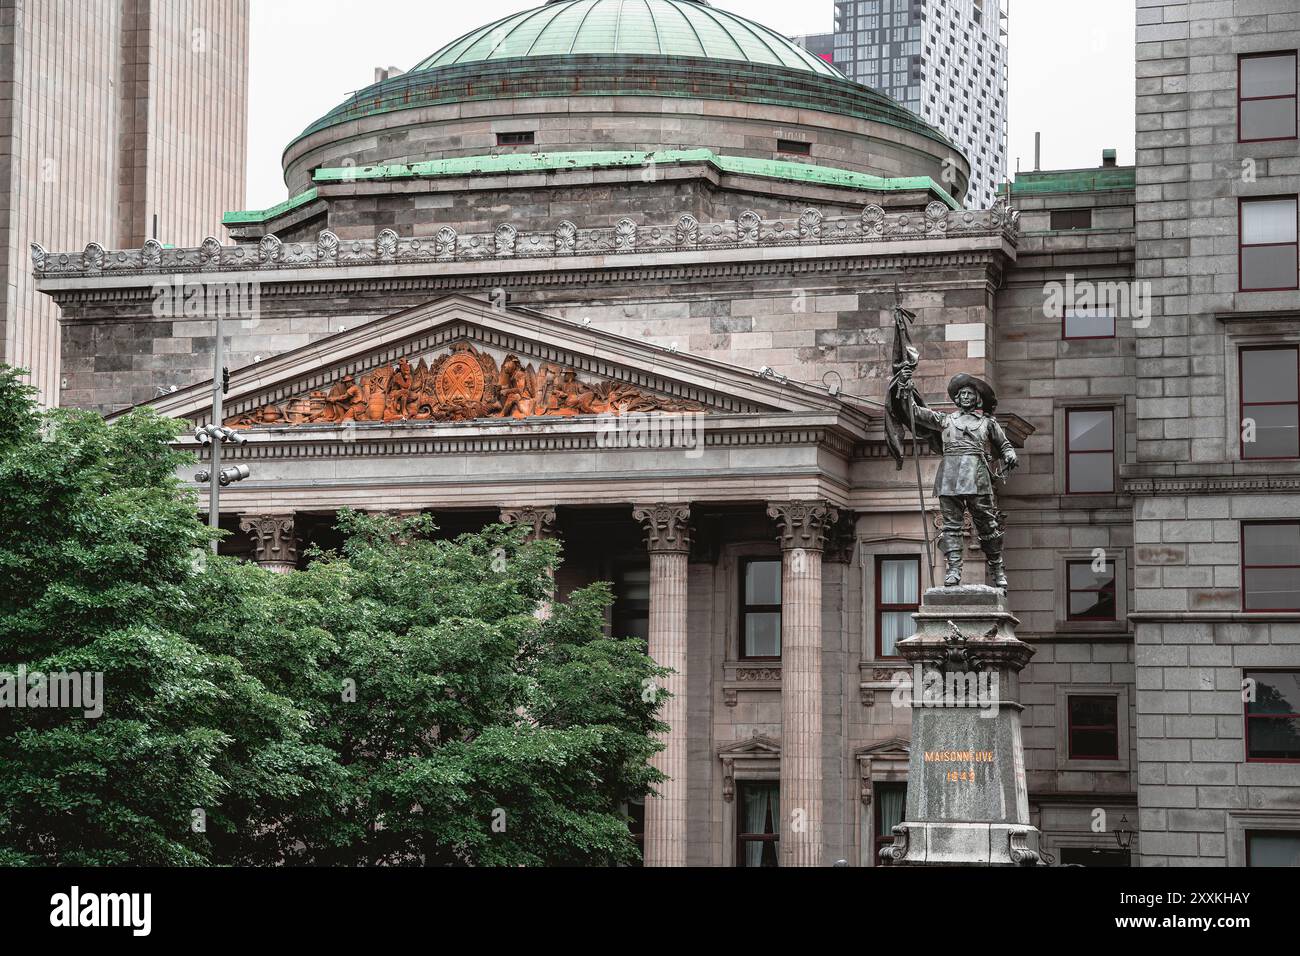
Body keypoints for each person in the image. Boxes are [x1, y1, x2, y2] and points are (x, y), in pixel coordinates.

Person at [906, 373, 1018, 588]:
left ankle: (997, 567)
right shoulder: (945, 420)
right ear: (957, 399)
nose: (966, 397)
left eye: (970, 394)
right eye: (962, 394)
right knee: (951, 527)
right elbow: (916, 414)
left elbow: (1004, 445)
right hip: (949, 475)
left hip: (977, 475)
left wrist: (1010, 455)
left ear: (977, 399)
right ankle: (954, 570)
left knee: (988, 524)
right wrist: (905, 389)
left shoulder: (988, 423)